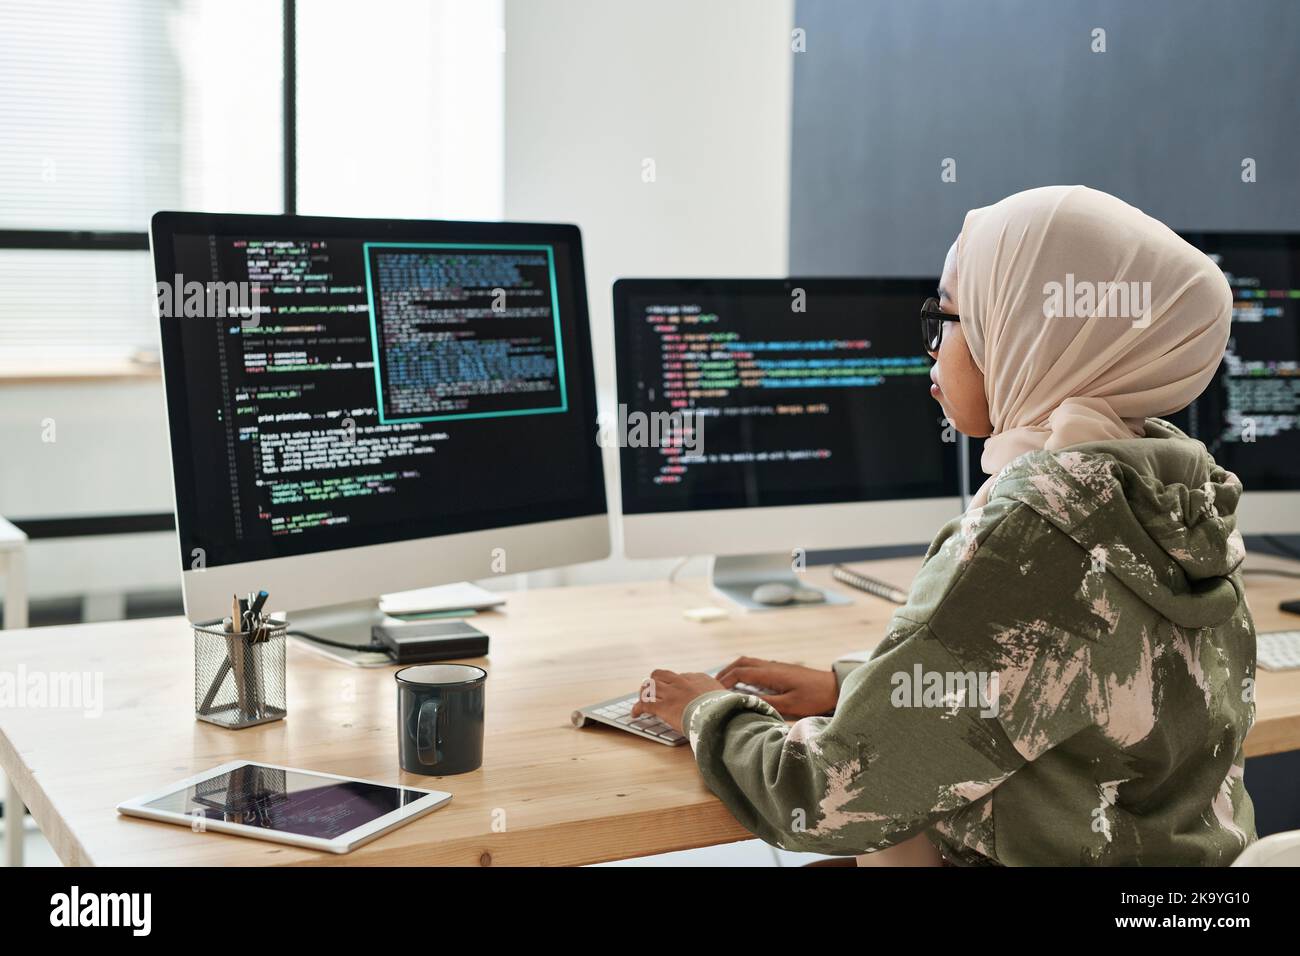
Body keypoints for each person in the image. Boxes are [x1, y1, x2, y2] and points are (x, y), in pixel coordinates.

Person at [631, 185, 1256, 866]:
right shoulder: (1176, 498)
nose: (933, 348)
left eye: (951, 317)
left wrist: (707, 711)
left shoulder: (1036, 530)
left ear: (1030, 332)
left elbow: (820, 799)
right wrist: (857, 687)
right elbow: (1083, 692)